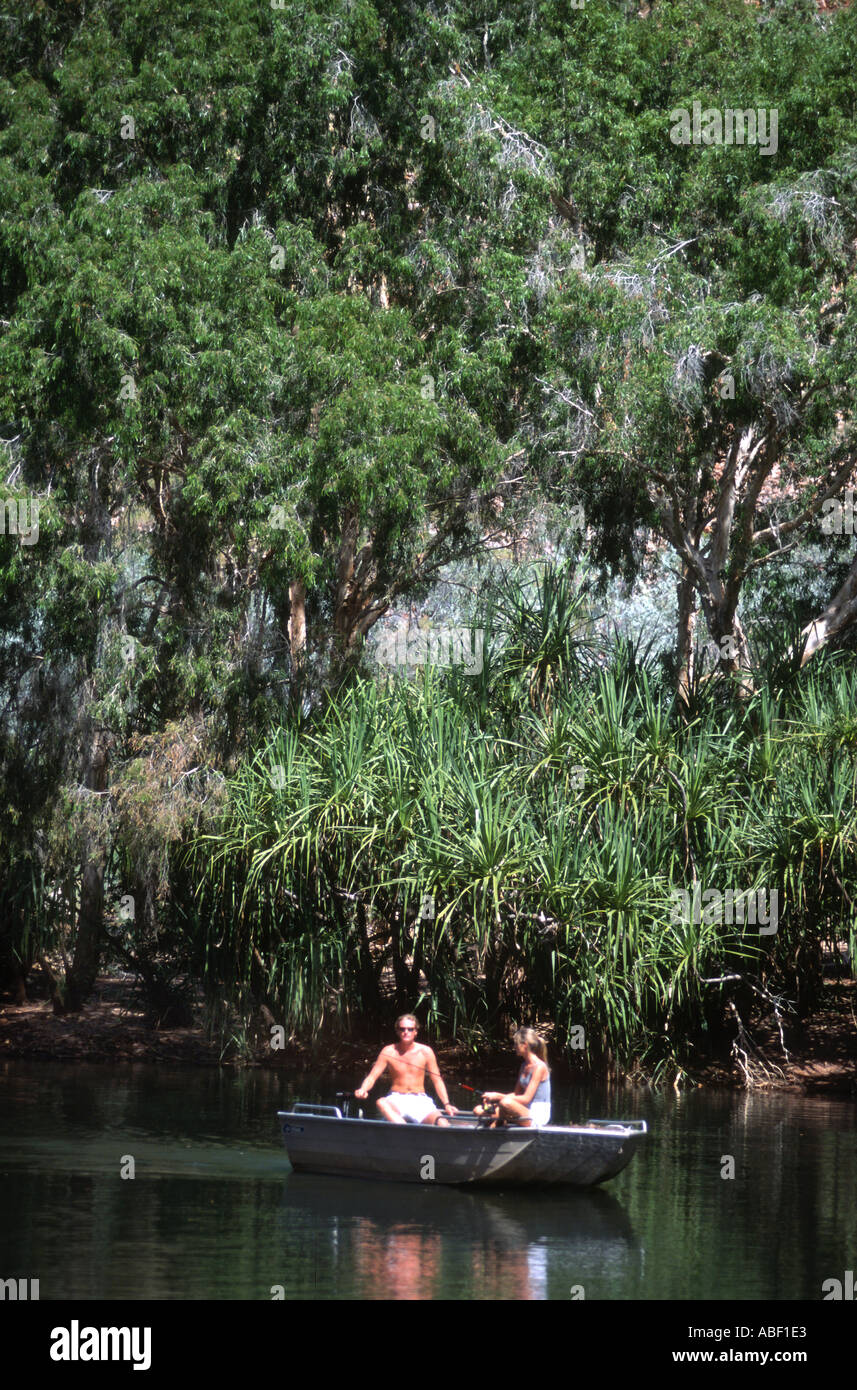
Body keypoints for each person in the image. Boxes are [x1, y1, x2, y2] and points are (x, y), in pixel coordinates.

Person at [356, 1014, 457, 1125]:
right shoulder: (388, 1051)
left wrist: (447, 1104)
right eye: (402, 1029)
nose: (406, 1032)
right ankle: (404, 1132)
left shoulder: (426, 1051)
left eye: (410, 1029)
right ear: (397, 1031)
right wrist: (363, 1089)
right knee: (381, 1102)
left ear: (416, 1032)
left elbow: (437, 1081)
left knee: (443, 1124)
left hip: (420, 1100)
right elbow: (372, 1077)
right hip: (396, 1099)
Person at [479, 1027, 551, 1128]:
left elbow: (526, 1099)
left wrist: (498, 1096)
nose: (514, 1047)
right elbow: (517, 1094)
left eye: (516, 1044)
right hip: (523, 1109)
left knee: (505, 1103)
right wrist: (492, 1099)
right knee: (479, 1110)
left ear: (525, 1045)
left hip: (537, 1115)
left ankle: (499, 1123)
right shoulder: (523, 1066)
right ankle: (502, 1121)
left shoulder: (539, 1067)